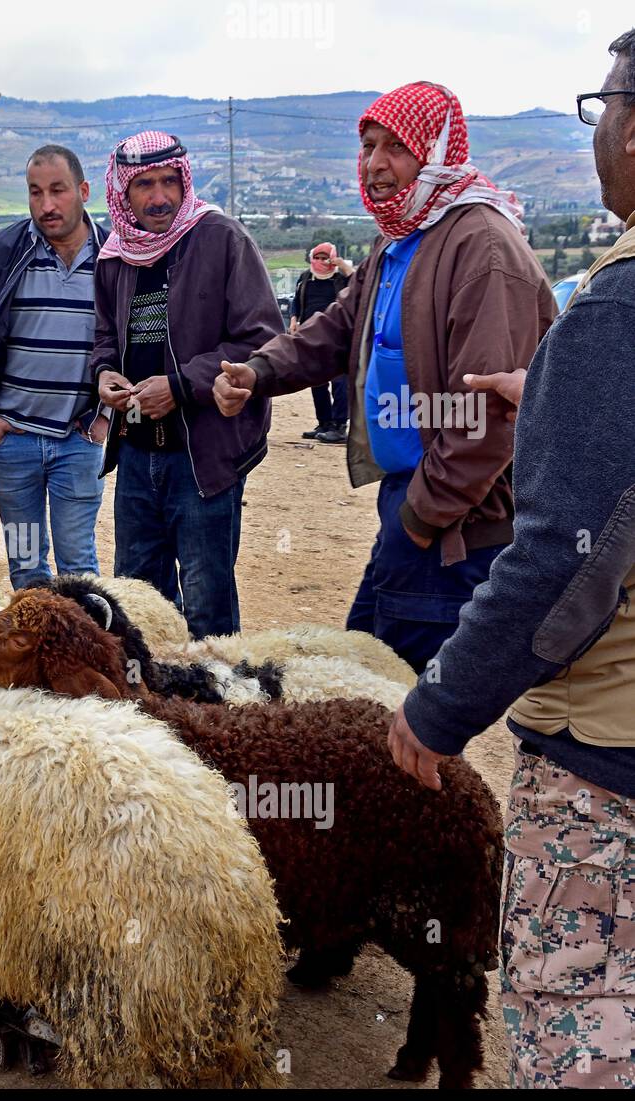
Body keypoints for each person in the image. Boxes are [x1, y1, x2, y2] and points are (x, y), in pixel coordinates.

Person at [388, 30, 635, 1090]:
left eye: (603, 108)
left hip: (607, 753)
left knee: (570, 1035)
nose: (600, 135)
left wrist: (437, 707)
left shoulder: (616, 302)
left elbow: (561, 562)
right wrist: (563, 411)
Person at [215, 82, 554, 674]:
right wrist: (258, 370)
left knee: (397, 713)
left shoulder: (482, 249)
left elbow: (490, 415)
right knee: (363, 684)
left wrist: (422, 518)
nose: (374, 165)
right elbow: (341, 327)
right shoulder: (403, 238)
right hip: (412, 503)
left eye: (394, 147)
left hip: (457, 525)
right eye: (368, 146)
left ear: (437, 150)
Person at [91, 131, 282, 638]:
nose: (159, 197)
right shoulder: (115, 255)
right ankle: (152, 710)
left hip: (204, 457)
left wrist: (178, 386)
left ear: (184, 180)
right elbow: (105, 336)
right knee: (136, 602)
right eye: (145, 184)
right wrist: (104, 374)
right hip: (135, 453)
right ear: (123, 193)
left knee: (206, 605)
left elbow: (262, 341)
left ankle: (214, 712)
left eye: (169, 181)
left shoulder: (222, 238)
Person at [0, 144, 109, 588]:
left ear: (83, 190)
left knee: (80, 567)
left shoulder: (113, 258)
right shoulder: (2, 251)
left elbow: (128, 342)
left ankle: (82, 655)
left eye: (58, 190)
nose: (47, 205)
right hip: (13, 441)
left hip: (78, 439)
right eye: (35, 192)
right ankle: (35, 658)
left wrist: (104, 418)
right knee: (26, 570)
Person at [291, 242, 353, 442]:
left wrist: (344, 267)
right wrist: (294, 319)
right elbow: (297, 301)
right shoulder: (306, 278)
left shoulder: (341, 279)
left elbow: (359, 288)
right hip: (310, 336)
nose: (320, 262)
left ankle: (339, 425)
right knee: (316, 382)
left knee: (339, 382)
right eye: (316, 257)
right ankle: (324, 422)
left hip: (337, 336)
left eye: (325, 258)